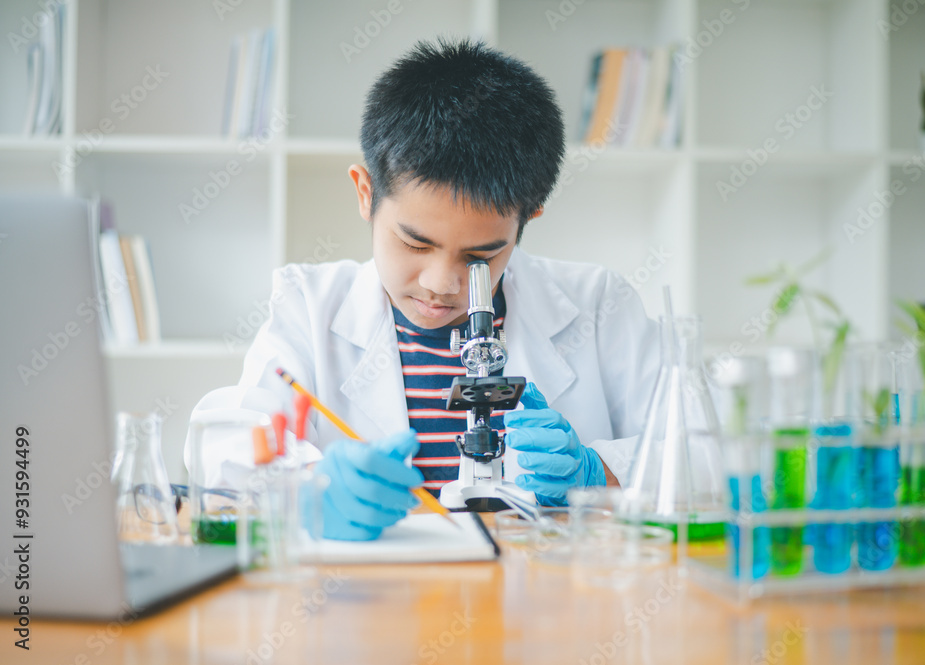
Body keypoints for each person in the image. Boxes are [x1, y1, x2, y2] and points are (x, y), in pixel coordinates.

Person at [185, 39, 659, 540]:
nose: (441, 285)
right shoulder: (309, 306)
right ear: (366, 194)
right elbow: (218, 444)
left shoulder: (598, 304)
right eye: (415, 243)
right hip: (374, 604)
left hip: (539, 605)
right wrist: (308, 489)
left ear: (528, 217)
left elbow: (707, 450)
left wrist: (599, 475)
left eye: (480, 258)